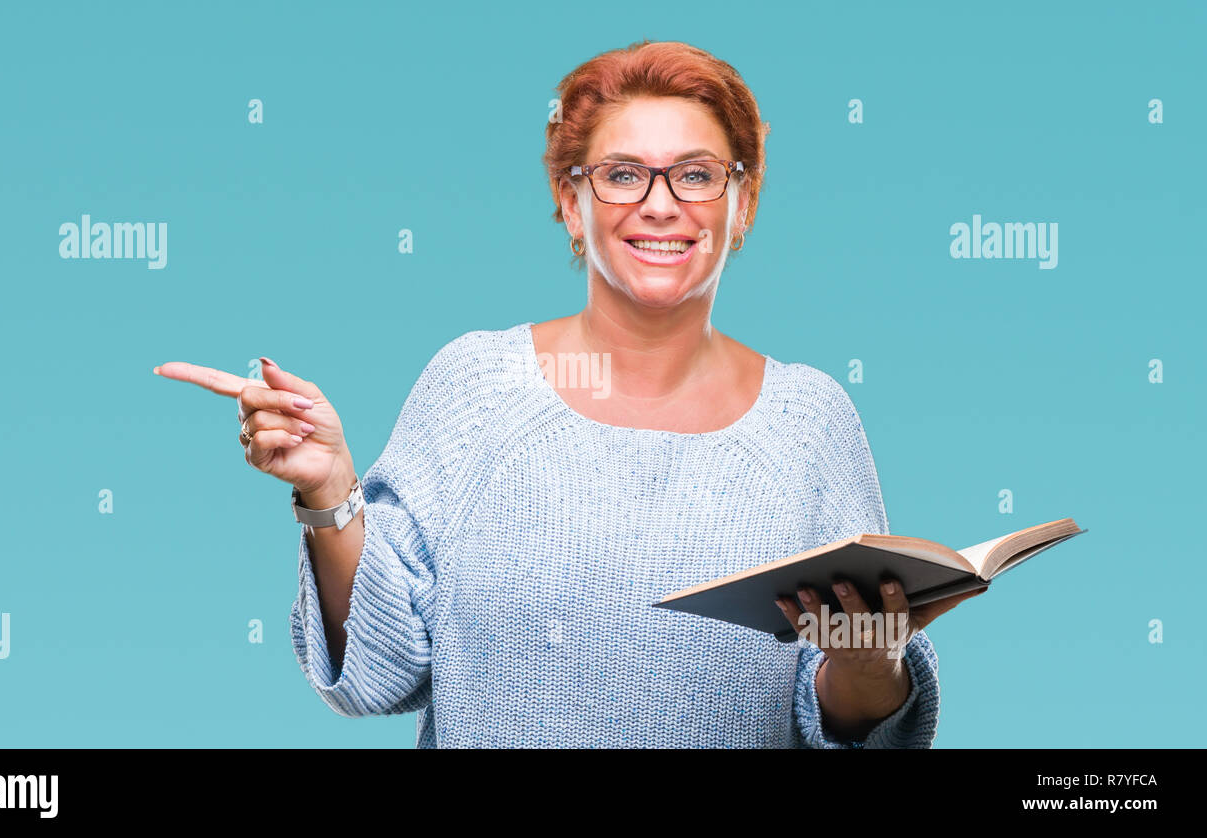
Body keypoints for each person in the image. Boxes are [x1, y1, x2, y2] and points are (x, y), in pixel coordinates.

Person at [155, 40, 983, 748]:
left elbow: (852, 725)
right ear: (570, 202)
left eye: (696, 174)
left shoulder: (812, 422)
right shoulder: (475, 387)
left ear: (742, 201)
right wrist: (329, 491)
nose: (661, 204)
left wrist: (869, 661)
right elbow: (378, 673)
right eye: (623, 174)